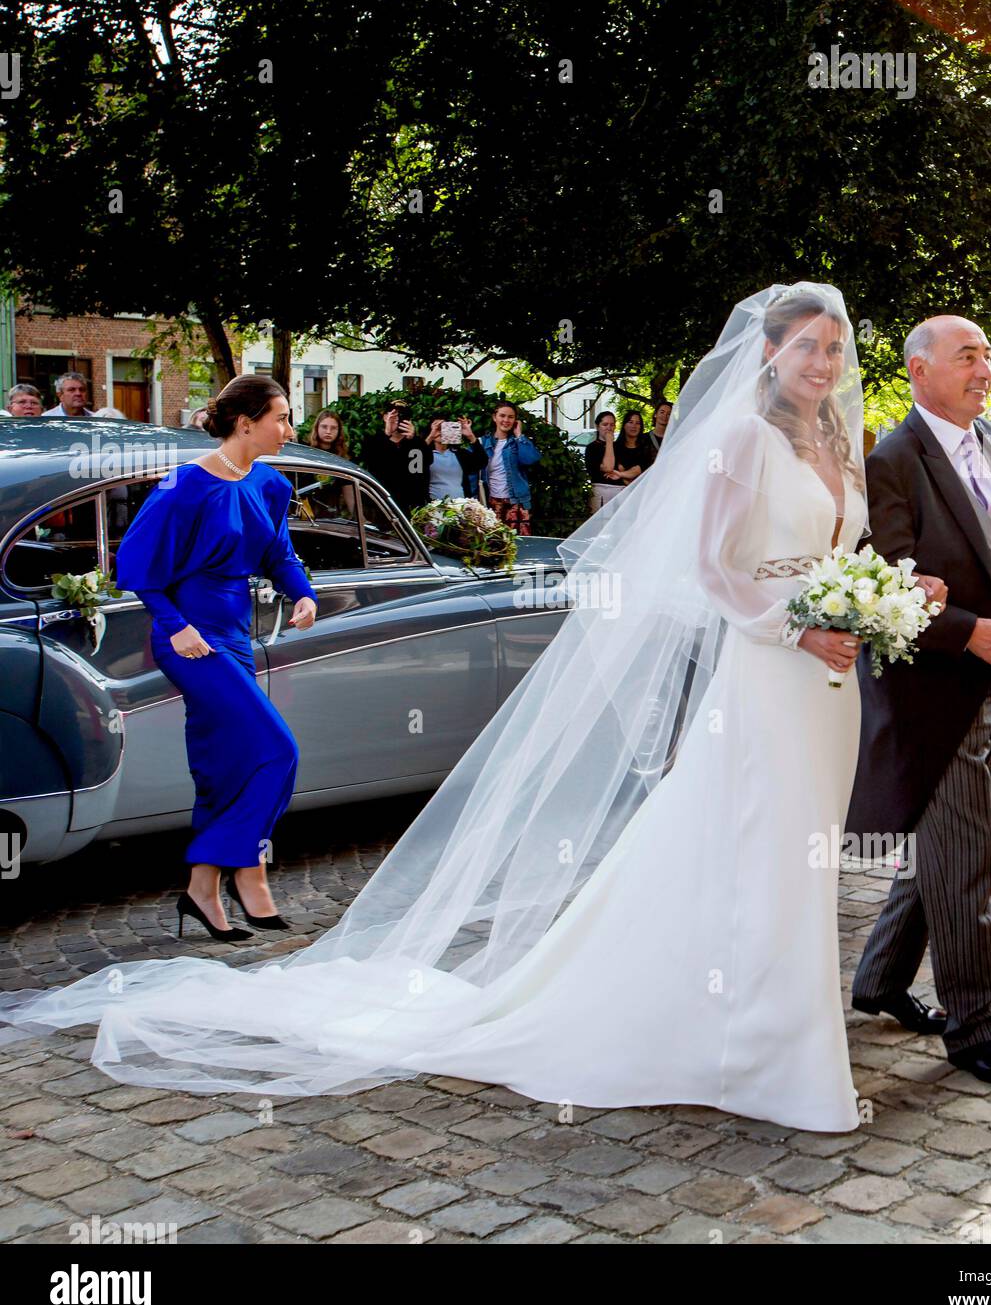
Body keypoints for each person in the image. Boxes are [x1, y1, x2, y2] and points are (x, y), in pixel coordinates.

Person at [2, 284, 900, 1133]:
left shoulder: (835, 443)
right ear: (769, 352)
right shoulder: (741, 439)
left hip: (822, 674)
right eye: (804, 345)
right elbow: (712, 567)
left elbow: (279, 552)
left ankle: (757, 1016)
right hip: (769, 660)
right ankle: (766, 1046)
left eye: (833, 347)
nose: (822, 361)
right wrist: (791, 627)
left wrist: (868, 599)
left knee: (790, 850)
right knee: (754, 836)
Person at [846, 315, 991, 1088]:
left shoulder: (988, 442)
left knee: (940, 846)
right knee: (967, 852)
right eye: (967, 356)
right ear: (916, 370)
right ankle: (973, 1029)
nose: (983, 369)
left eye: (987, 355)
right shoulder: (891, 459)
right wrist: (967, 631)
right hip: (932, 688)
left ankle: (876, 981)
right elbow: (884, 582)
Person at [111, 375, 318, 942]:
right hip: (190, 638)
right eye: (281, 417)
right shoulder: (185, 485)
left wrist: (303, 592)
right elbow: (135, 563)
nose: (289, 428)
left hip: (235, 632)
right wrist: (174, 627)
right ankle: (248, 874)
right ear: (246, 423)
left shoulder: (271, 484)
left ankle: (203, 888)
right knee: (277, 750)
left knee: (222, 758)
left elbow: (280, 552)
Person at [477, 400, 541, 534]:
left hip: (516, 501)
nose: (506, 420)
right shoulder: (484, 442)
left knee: (521, 544)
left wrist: (519, 436)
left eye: (510, 417)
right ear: (495, 417)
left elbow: (530, 459)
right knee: (495, 544)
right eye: (502, 416)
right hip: (492, 501)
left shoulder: (517, 442)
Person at [361, 400, 429, 517]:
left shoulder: (416, 443)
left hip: (409, 508)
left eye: (402, 416)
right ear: (385, 417)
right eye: (394, 415)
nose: (398, 419)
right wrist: (387, 434)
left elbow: (422, 467)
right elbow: (371, 461)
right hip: (383, 506)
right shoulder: (374, 442)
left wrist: (412, 440)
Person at [423, 416, 488, 500]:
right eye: (438, 428)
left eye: (444, 428)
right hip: (433, 506)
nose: (441, 431)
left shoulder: (459, 454)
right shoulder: (425, 453)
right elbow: (413, 464)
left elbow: (482, 462)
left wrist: (470, 436)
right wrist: (431, 436)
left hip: (459, 505)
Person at [584, 410, 621, 513]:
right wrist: (609, 442)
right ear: (597, 426)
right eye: (605, 424)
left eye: (612, 425)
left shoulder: (619, 447)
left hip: (619, 493)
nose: (609, 428)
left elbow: (624, 469)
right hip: (600, 493)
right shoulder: (592, 448)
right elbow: (608, 467)